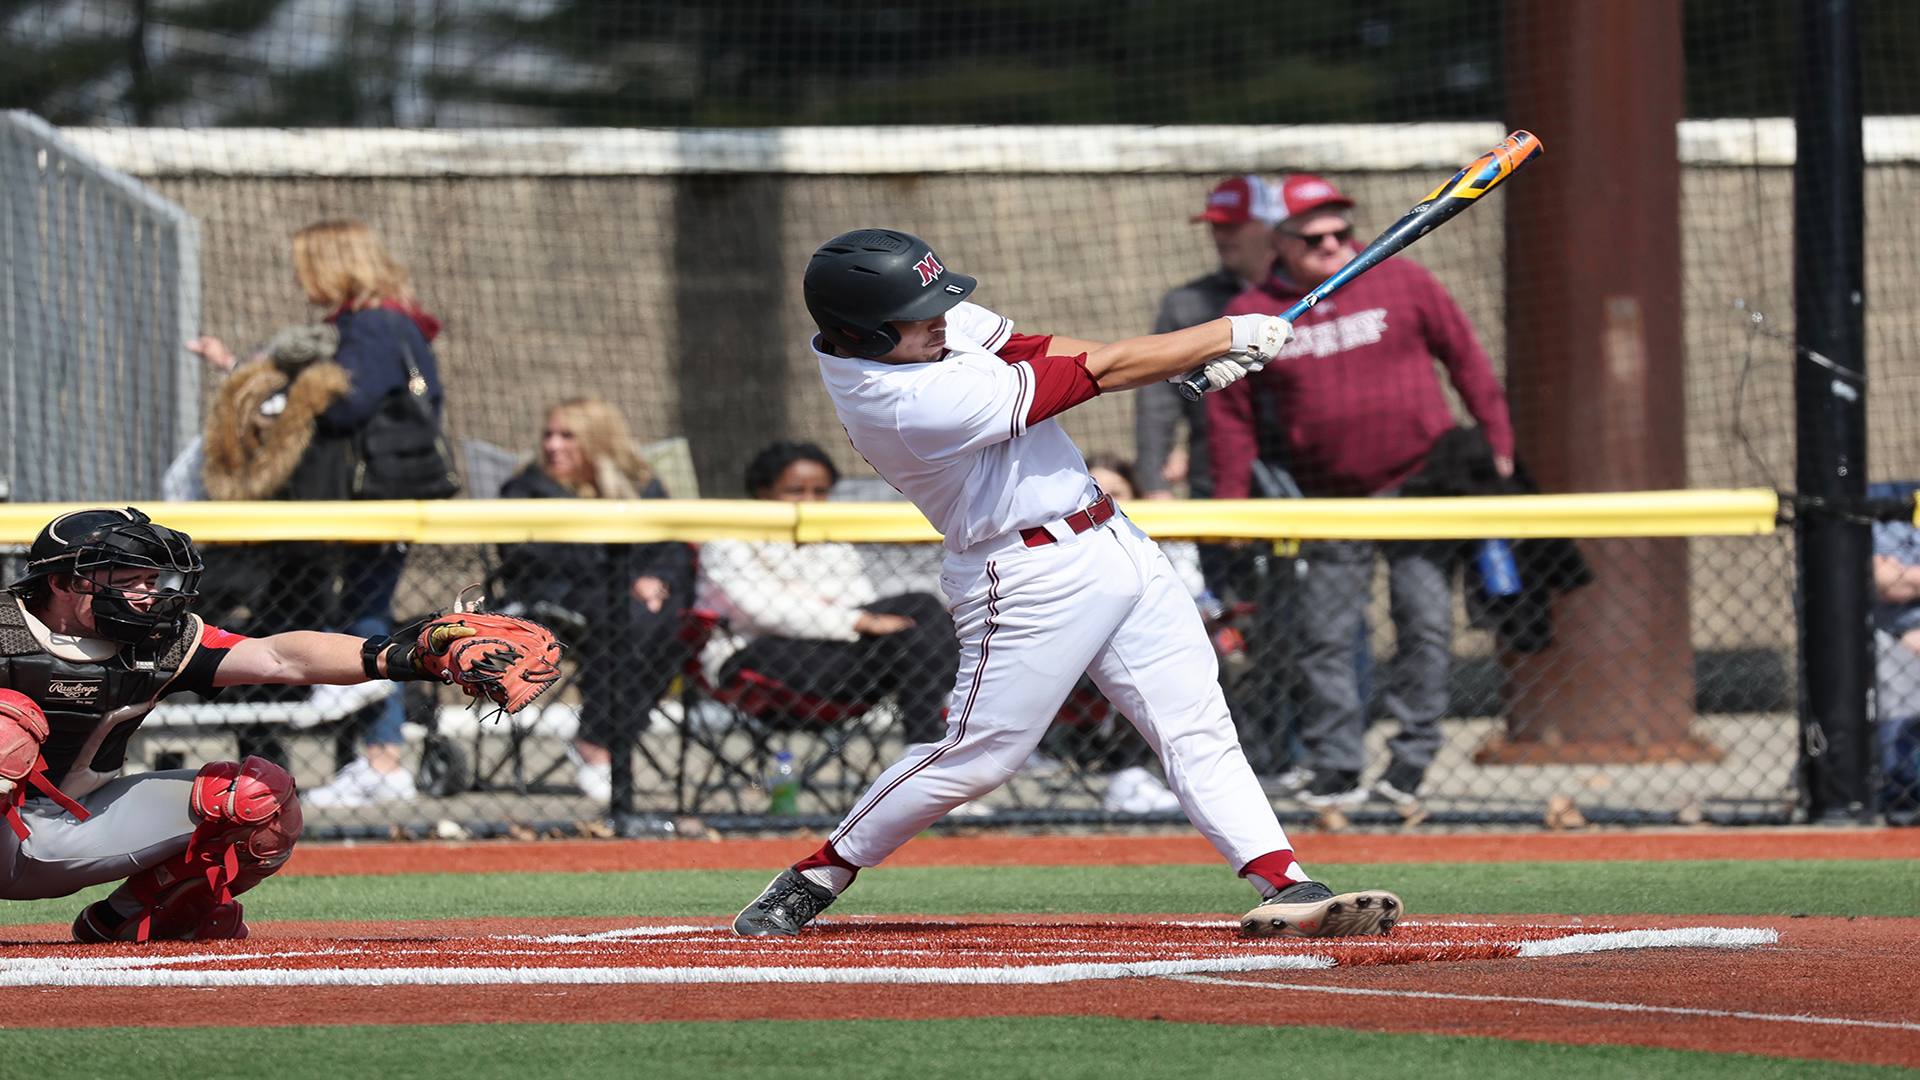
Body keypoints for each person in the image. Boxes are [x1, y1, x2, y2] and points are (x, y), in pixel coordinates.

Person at [732, 228, 1400, 939]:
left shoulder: (919, 328)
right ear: (857, 333)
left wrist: (1188, 358)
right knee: (979, 757)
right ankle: (816, 873)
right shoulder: (901, 402)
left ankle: (1286, 884)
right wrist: (1223, 333)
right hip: (1025, 572)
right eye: (915, 311)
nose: (938, 317)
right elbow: (1102, 373)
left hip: (1116, 538)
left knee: (1195, 720)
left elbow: (1043, 351)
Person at [0, 507, 459, 942]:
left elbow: (281, 656)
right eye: (126, 582)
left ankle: (124, 921)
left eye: (151, 580)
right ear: (61, 583)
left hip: (72, 823)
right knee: (8, 725)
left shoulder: (163, 640)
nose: (148, 595)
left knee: (258, 799)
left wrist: (407, 656)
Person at [1208, 174, 1516, 810]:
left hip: (1419, 481)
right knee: (1326, 634)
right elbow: (1230, 417)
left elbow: (1466, 358)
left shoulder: (1404, 280)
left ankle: (1411, 760)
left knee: (1425, 623)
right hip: (1326, 495)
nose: (1331, 245)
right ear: (1281, 242)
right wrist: (1233, 501)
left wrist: (1499, 440)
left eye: (1341, 232)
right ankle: (1336, 764)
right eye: (1313, 236)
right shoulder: (1258, 310)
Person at [189, 219, 448, 809]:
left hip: (382, 496)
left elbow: (346, 404)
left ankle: (383, 762)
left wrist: (292, 383)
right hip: (376, 498)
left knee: (366, 612)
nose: (302, 277)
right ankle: (379, 759)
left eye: (309, 263)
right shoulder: (373, 321)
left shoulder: (376, 323)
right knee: (362, 609)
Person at [495, 397, 691, 812]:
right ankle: (600, 745)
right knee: (631, 618)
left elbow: (671, 545)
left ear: (598, 440)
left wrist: (657, 580)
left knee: (678, 621)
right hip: (557, 596)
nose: (552, 445)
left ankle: (600, 738)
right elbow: (528, 555)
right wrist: (625, 576)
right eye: (548, 434)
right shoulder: (527, 487)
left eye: (567, 436)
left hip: (634, 596)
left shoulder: (641, 484)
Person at [697, 442, 959, 748]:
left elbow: (857, 595)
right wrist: (858, 620)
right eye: (796, 491)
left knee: (920, 611)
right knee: (921, 625)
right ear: (762, 491)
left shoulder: (829, 539)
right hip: (754, 659)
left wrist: (852, 618)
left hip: (834, 654)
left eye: (820, 492)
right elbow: (760, 612)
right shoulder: (728, 541)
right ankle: (937, 745)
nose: (810, 501)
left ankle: (923, 752)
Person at [1135, 176, 1283, 503]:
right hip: (1214, 474)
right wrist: (1153, 480)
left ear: (1270, 226)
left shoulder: (1305, 294)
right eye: (1215, 227)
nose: (1220, 237)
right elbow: (1157, 395)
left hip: (1303, 471)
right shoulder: (1187, 303)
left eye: (1233, 226)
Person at [1871, 481, 1920, 818]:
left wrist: (1908, 574)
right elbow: (1887, 583)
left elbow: (1902, 579)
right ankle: (1895, 786)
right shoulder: (1883, 502)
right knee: (1892, 657)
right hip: (1895, 634)